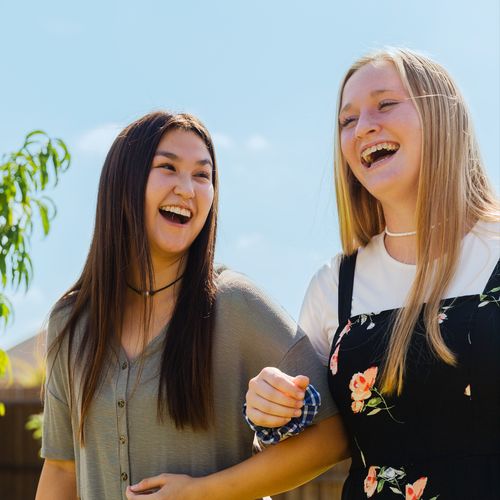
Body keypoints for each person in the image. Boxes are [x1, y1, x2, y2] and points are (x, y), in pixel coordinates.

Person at [35, 111, 349, 500]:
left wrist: (201, 493)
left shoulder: (235, 304)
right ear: (122, 183)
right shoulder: (71, 322)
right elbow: (62, 470)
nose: (188, 188)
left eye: (203, 175)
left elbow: (333, 435)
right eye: (168, 167)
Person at [245, 48, 500, 499]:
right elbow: (305, 438)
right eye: (347, 121)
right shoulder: (333, 286)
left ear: (443, 115)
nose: (363, 127)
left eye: (385, 104)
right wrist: (269, 411)